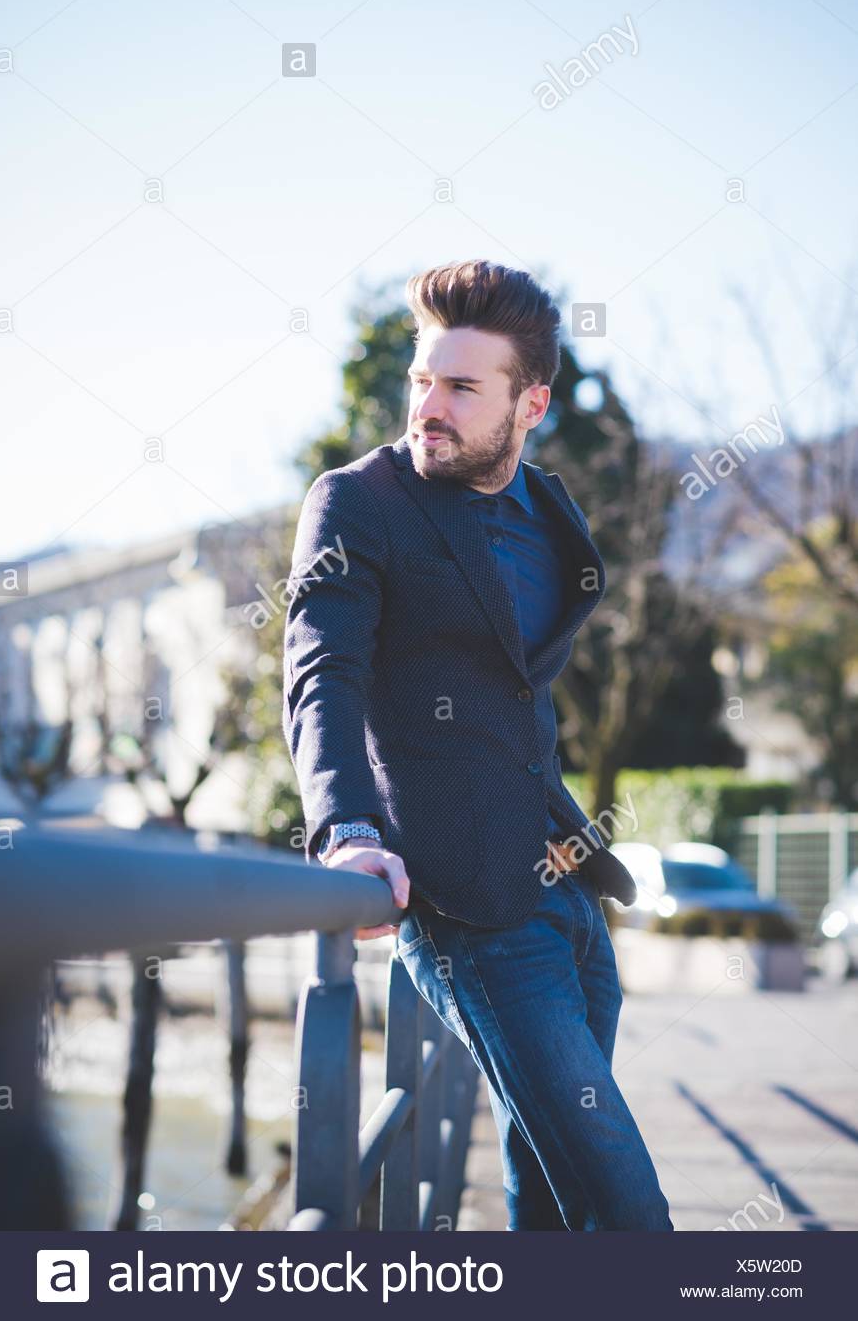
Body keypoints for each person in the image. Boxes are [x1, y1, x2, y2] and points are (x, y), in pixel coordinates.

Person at [282, 259, 673, 1231]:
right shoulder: (358, 503)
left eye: (461, 386)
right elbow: (322, 671)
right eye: (422, 379)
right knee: (626, 1206)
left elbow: (517, 702)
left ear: (530, 402)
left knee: (546, 1187)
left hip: (569, 899)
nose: (430, 405)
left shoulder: (552, 515)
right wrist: (345, 827)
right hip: (470, 913)